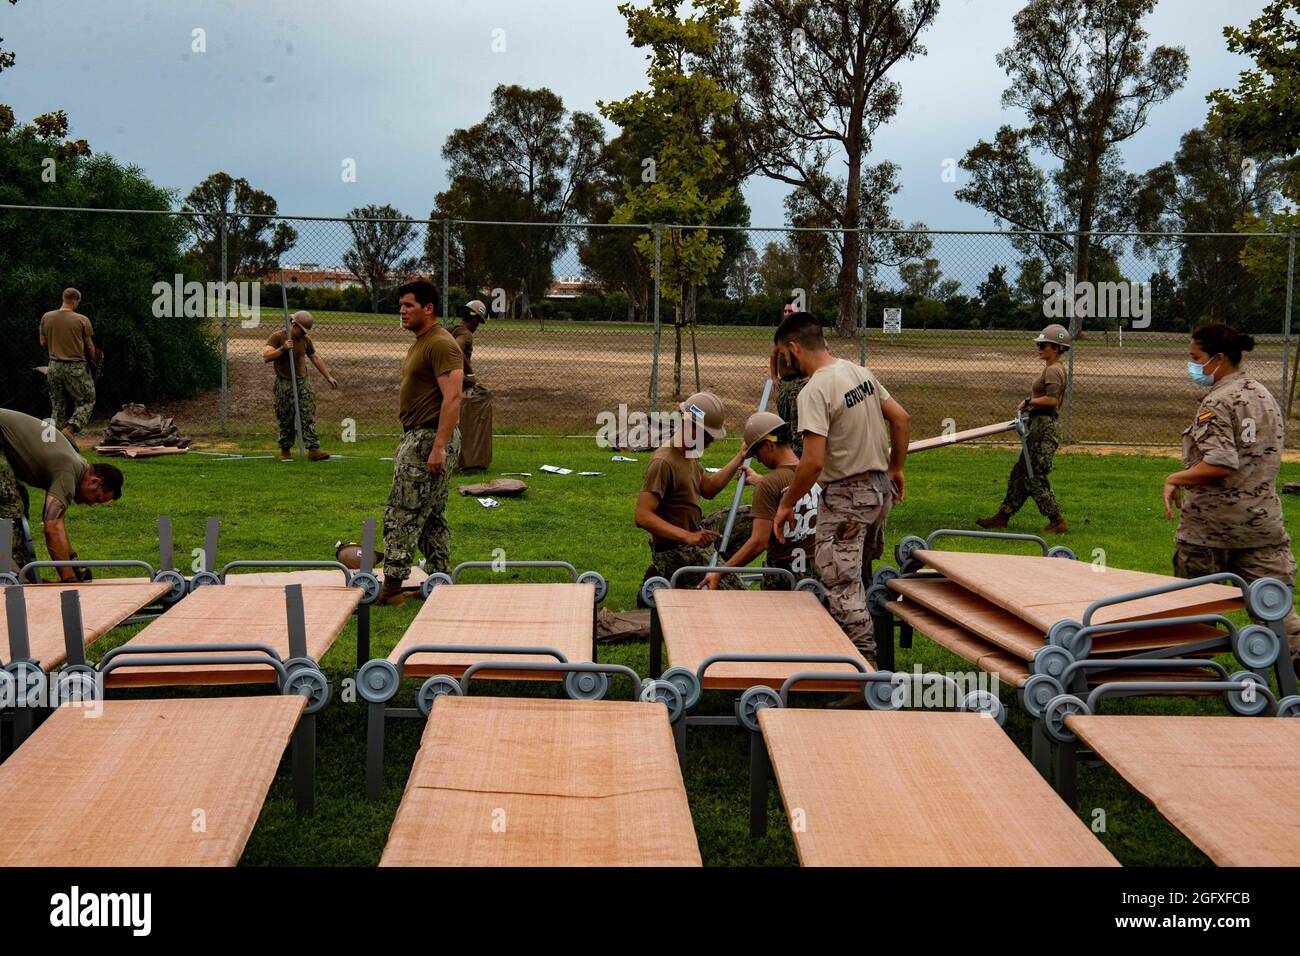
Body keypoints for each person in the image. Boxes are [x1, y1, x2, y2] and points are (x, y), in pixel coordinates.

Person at [771, 312, 909, 663]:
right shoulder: (858, 371)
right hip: (879, 490)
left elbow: (813, 462)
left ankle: (864, 672)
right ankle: (860, 658)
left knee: (842, 584)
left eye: (782, 355)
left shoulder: (814, 390)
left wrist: (787, 503)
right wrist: (896, 468)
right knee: (859, 577)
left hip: (847, 497)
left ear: (793, 348)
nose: (784, 362)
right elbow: (901, 418)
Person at [1163, 323, 1300, 679]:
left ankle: (1193, 677)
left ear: (1218, 359)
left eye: (1196, 358)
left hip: (1211, 528)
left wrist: (1175, 478)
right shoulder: (1264, 396)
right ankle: (1292, 669)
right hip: (1262, 525)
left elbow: (1220, 463)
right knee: (1277, 613)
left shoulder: (1217, 402)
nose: (1191, 365)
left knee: (1193, 608)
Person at [379, 279, 464, 606]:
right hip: (419, 435)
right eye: (400, 305)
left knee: (402, 511)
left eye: (408, 305)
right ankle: (441, 581)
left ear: (428, 308)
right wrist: (408, 439)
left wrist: (438, 445)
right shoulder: (422, 341)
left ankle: (391, 590)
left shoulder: (441, 344)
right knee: (430, 515)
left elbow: (453, 398)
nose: (401, 311)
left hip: (431, 436)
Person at [635, 391, 749, 594]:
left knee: (753, 517)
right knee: (737, 595)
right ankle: (667, 572)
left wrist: (739, 458)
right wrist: (688, 536)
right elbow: (642, 516)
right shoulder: (663, 462)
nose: (710, 442)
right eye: (708, 436)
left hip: (695, 530)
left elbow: (708, 489)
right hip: (676, 549)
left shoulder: (690, 453)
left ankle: (716, 562)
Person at [702, 411, 821, 591]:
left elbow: (759, 541)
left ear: (769, 446)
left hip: (782, 577)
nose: (759, 460)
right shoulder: (814, 474)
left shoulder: (770, 485)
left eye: (757, 454)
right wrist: (760, 481)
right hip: (816, 572)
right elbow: (790, 490)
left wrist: (719, 572)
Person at [0, 408, 123, 580]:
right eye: (96, 498)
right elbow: (52, 528)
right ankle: (9, 576)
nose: (90, 504)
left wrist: (74, 563)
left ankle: (18, 574)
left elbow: (58, 525)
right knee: (10, 504)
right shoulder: (69, 472)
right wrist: (68, 580)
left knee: (19, 502)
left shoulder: (77, 466)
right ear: (94, 481)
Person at [977, 323, 1070, 534]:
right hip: (1038, 425)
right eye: (1039, 344)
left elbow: (1052, 401)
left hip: (1045, 428)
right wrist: (1031, 405)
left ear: (1056, 348)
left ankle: (1056, 520)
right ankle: (1002, 517)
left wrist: (1029, 401)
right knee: (1020, 472)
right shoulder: (1051, 368)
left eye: (1043, 345)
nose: (1039, 348)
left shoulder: (1054, 370)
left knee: (1033, 474)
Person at [262, 311, 337, 461]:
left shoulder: (305, 340)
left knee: (307, 415)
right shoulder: (277, 337)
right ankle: (285, 451)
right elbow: (266, 356)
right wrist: (283, 348)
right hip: (284, 383)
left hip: (303, 382)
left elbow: (314, 357)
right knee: (286, 417)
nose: (303, 334)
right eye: (301, 330)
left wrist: (328, 376)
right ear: (294, 325)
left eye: (305, 332)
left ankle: (313, 450)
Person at [39, 288, 99, 441]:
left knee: (58, 404)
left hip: (54, 366)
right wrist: (93, 362)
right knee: (87, 400)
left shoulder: (46, 317)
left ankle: (54, 441)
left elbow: (42, 342)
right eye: (78, 301)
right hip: (75, 366)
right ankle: (71, 428)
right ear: (75, 300)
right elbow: (90, 347)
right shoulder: (82, 320)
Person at [769, 298, 805, 455]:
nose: (787, 314)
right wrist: (774, 377)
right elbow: (773, 355)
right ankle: (787, 454)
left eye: (790, 311)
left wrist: (811, 377)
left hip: (799, 384)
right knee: (784, 420)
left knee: (798, 421)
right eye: (785, 311)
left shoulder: (804, 332)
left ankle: (799, 455)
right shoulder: (781, 333)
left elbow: (823, 353)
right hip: (784, 384)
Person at [448, 299, 488, 388]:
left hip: (446, 377)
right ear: (474, 319)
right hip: (458, 381)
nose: (477, 325)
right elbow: (456, 348)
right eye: (479, 322)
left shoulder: (451, 329)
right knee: (484, 395)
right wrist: (470, 373)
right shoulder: (466, 334)